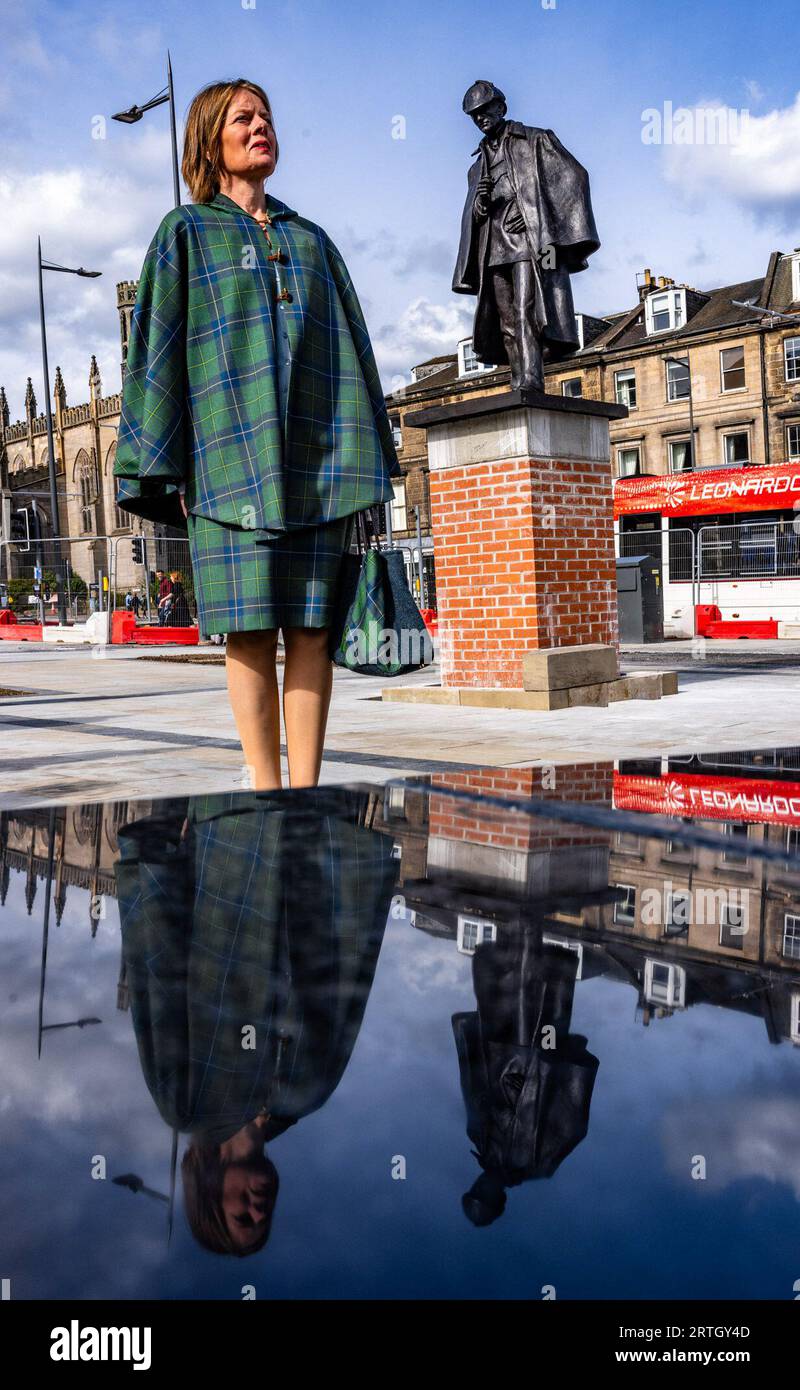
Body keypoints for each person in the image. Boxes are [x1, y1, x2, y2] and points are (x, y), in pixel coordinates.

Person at [114, 78, 400, 789]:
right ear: (211, 139)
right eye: (244, 117)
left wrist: (366, 463)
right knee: (248, 628)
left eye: (267, 116)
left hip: (318, 464)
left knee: (310, 627)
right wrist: (164, 464)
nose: (261, 126)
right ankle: (265, 789)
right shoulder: (185, 233)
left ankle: (305, 790)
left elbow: (353, 351)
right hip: (224, 466)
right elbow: (156, 352)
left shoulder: (313, 241)